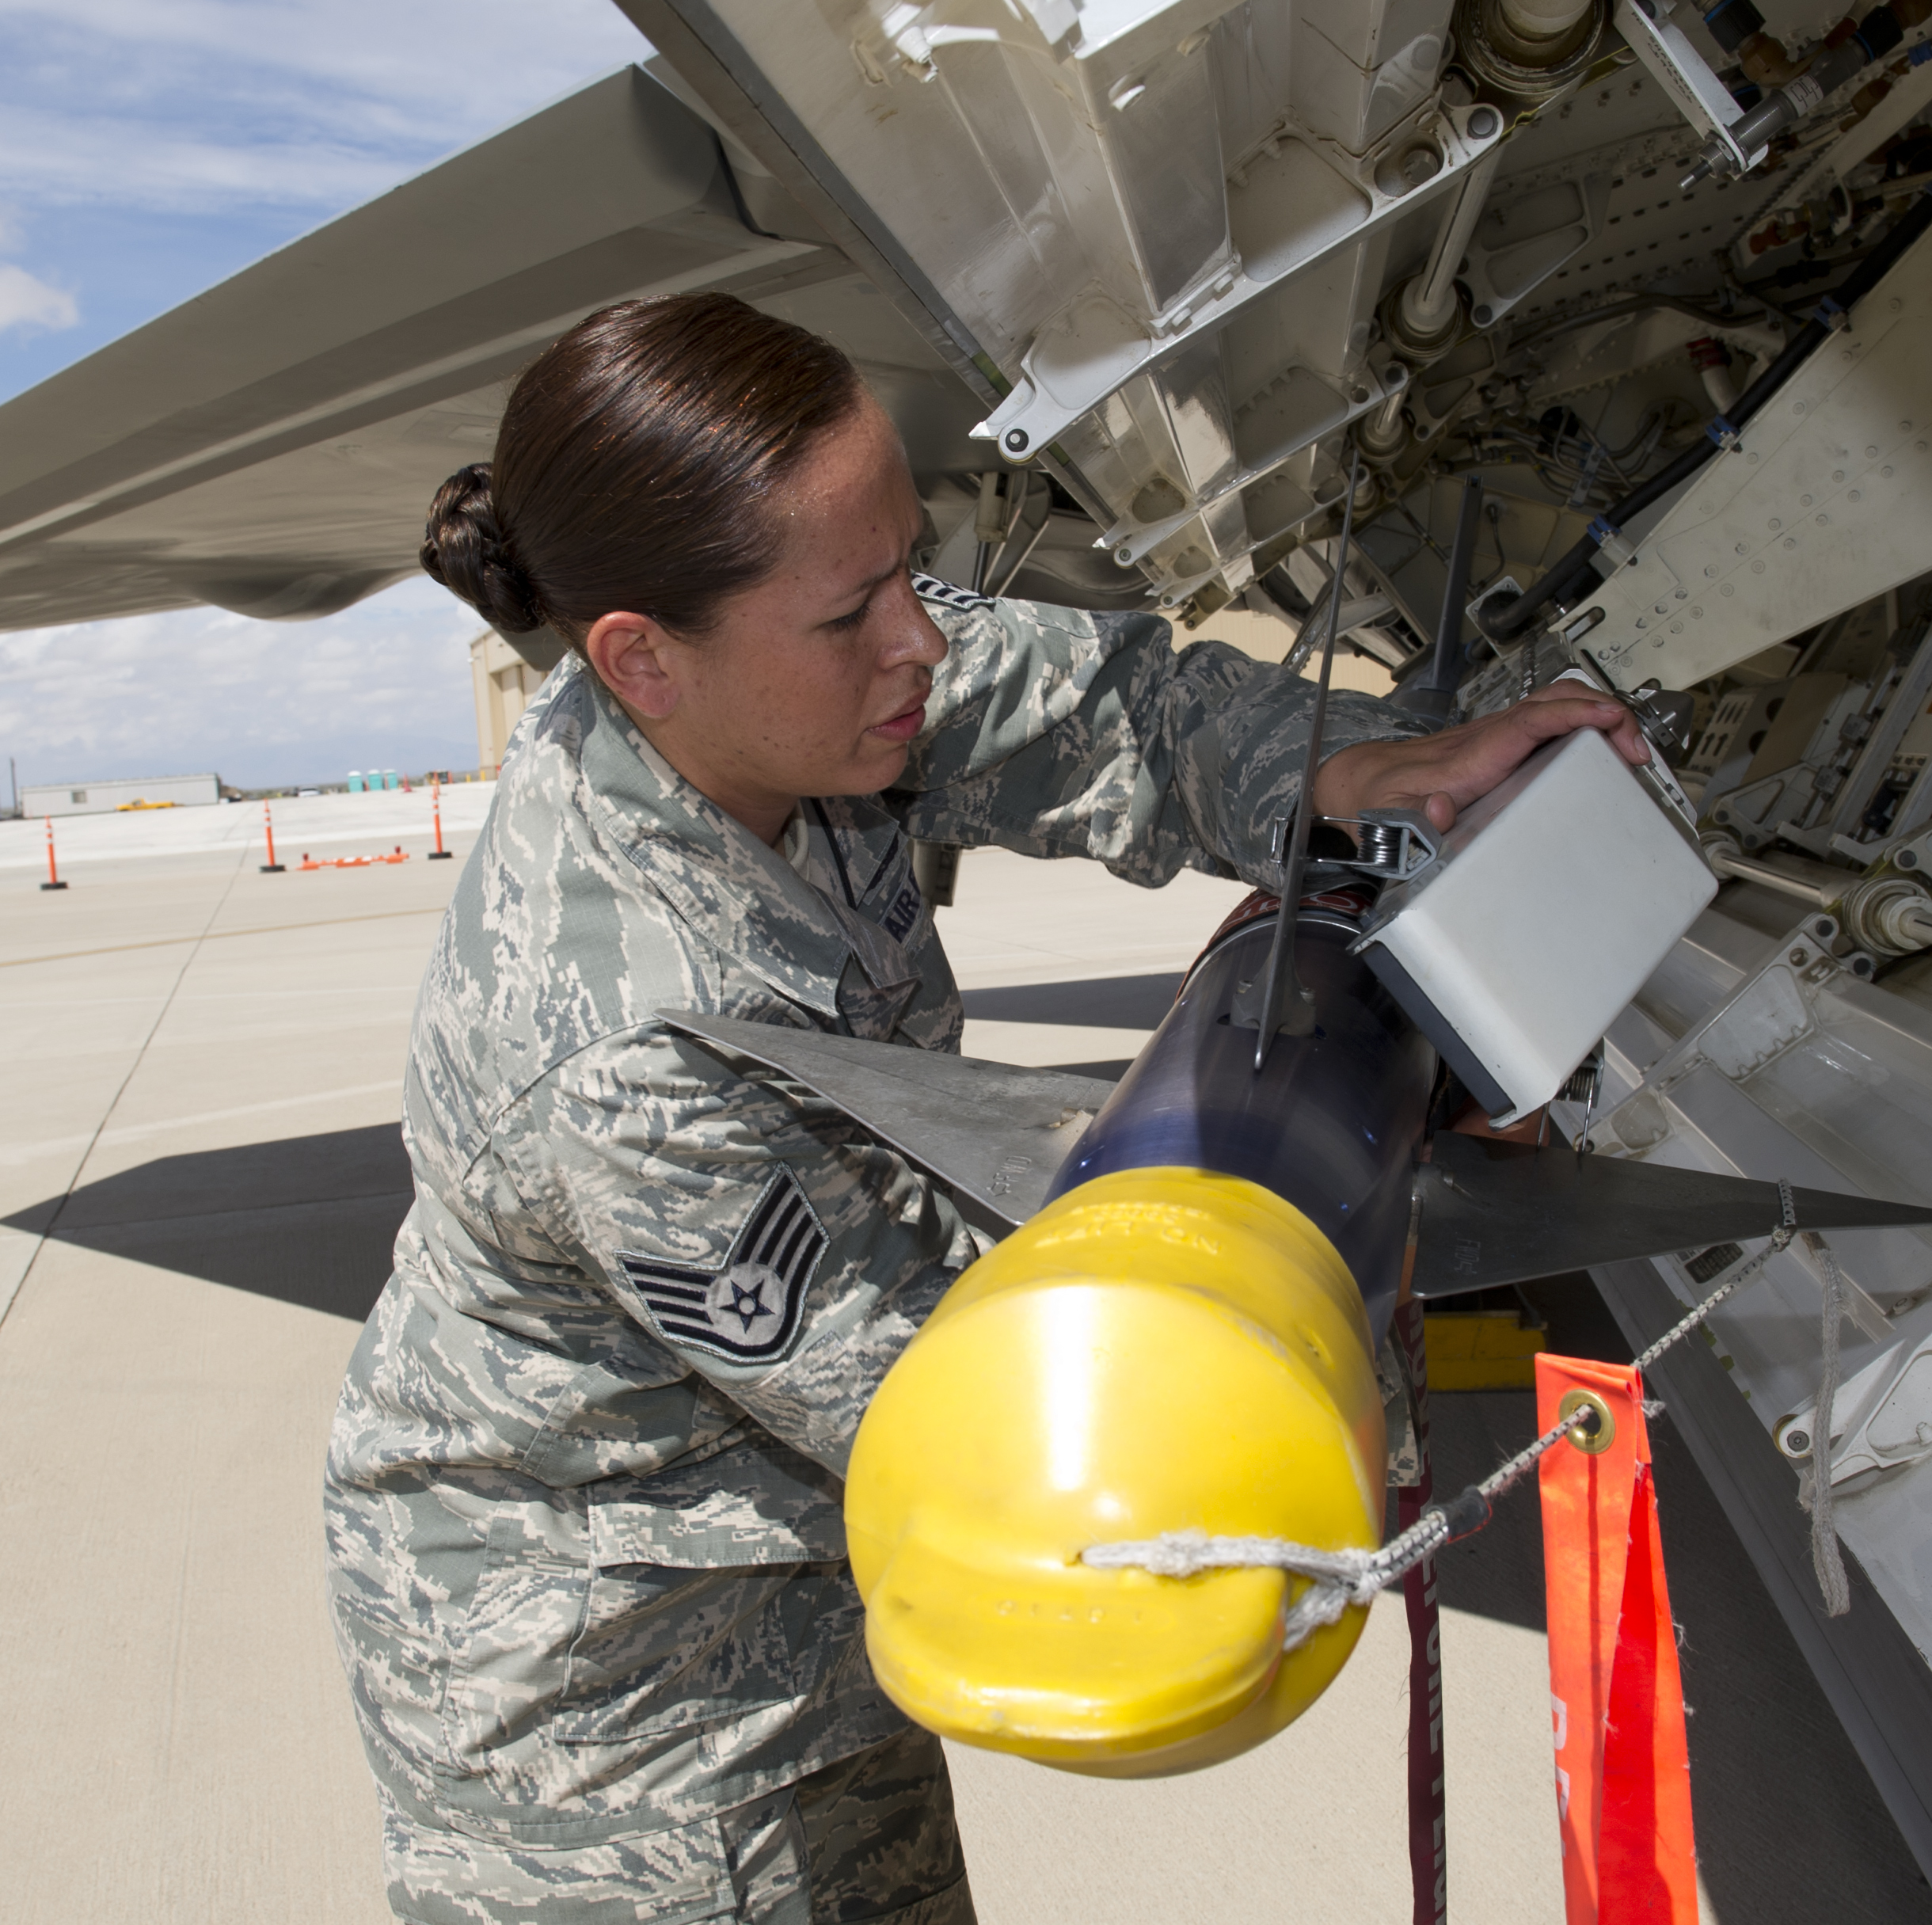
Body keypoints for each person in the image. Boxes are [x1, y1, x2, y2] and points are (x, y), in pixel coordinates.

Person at [325, 291, 1646, 1923]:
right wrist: (1347, 1190)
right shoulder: (617, 1057)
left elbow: (1114, 708)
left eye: (910, 563)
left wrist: (1368, 775)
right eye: (853, 609)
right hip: (626, 1733)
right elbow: (1019, 1411)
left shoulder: (803, 662)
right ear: (637, 658)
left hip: (796, 1617)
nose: (922, 641)